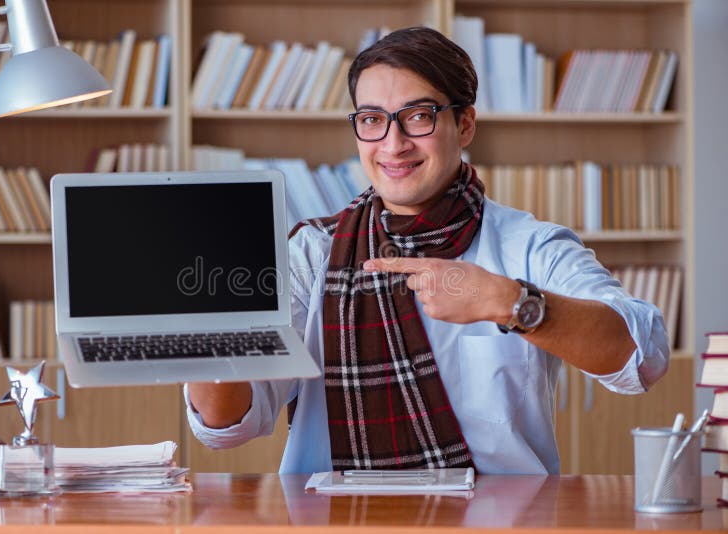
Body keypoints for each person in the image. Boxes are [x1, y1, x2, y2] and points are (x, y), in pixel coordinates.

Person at [184, 27, 669, 474]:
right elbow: (229, 426)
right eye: (372, 120)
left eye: (418, 116)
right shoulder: (313, 252)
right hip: (335, 520)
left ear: (465, 125)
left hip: (500, 524)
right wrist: (213, 335)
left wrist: (510, 303)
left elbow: (643, 357)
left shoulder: (530, 245)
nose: (393, 144)